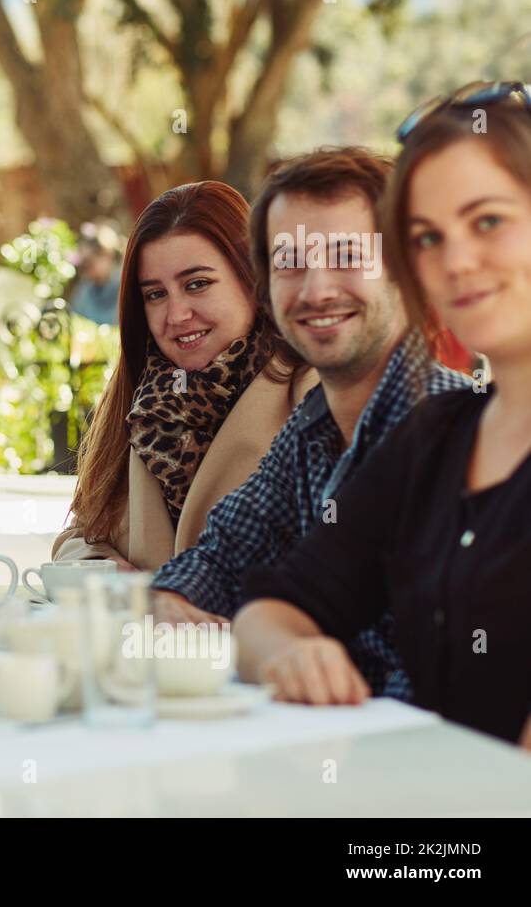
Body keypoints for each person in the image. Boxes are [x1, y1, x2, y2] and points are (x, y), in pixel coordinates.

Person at [235, 85, 531, 748]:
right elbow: (274, 607)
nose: (455, 262)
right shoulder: (441, 435)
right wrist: (287, 653)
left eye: (487, 221)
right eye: (427, 237)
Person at [149, 148, 470, 699]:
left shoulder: (456, 431)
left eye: (347, 255)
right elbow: (218, 562)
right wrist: (170, 604)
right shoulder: (310, 428)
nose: (316, 289)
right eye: (290, 262)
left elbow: (450, 682)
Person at [55, 181, 314, 572]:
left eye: (197, 285)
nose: (176, 315)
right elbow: (79, 537)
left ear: (253, 279)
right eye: (155, 294)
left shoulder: (313, 392)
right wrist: (115, 577)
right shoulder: (140, 396)